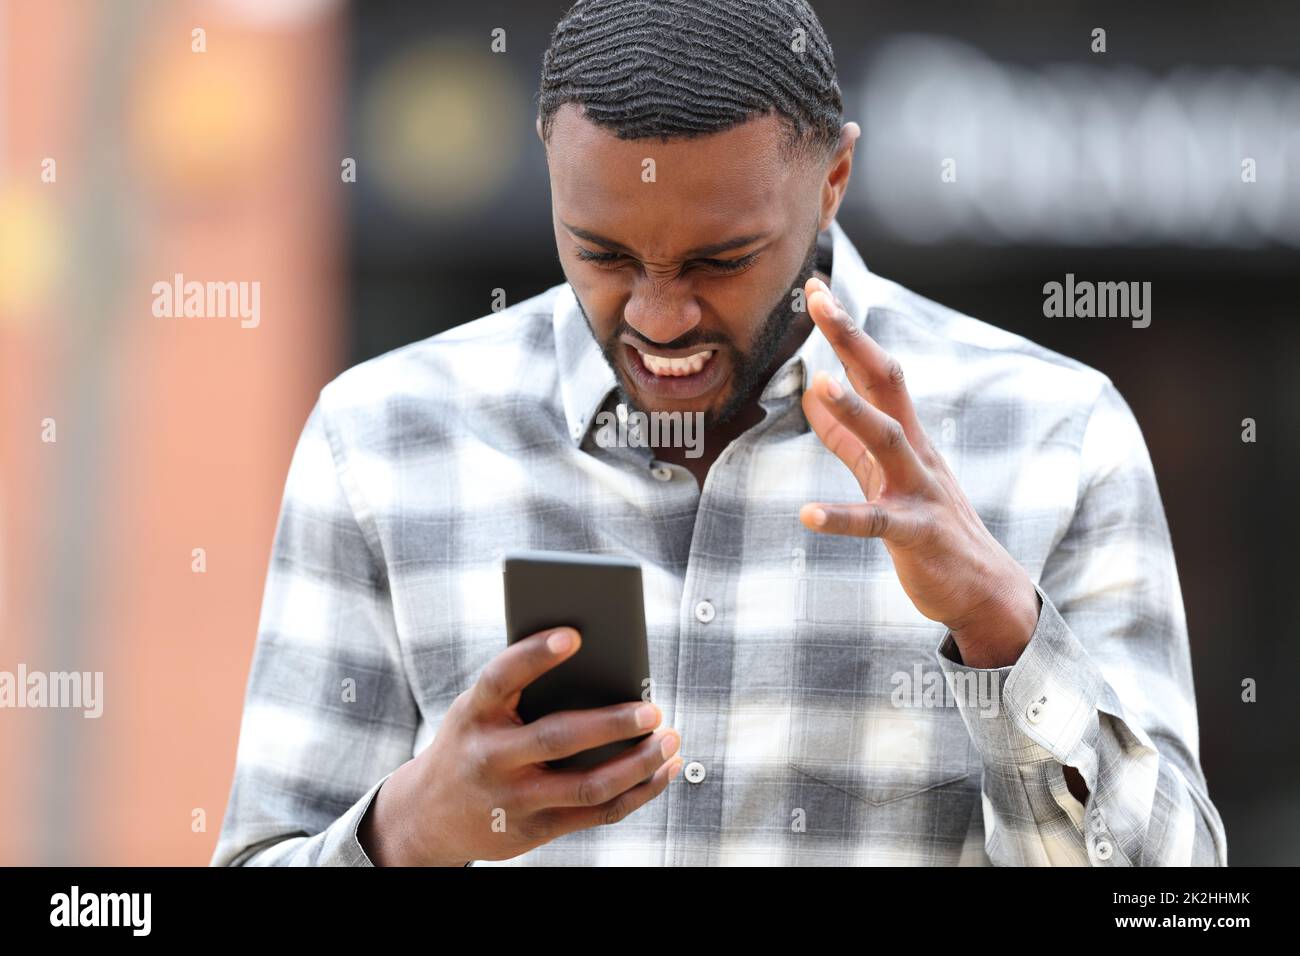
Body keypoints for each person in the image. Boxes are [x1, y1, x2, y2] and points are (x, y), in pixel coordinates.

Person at [210, 0, 1227, 866]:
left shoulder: (1052, 433)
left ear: (832, 179)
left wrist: (1002, 626)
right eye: (601, 252)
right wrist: (407, 830)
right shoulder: (383, 436)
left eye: (719, 260)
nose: (657, 319)